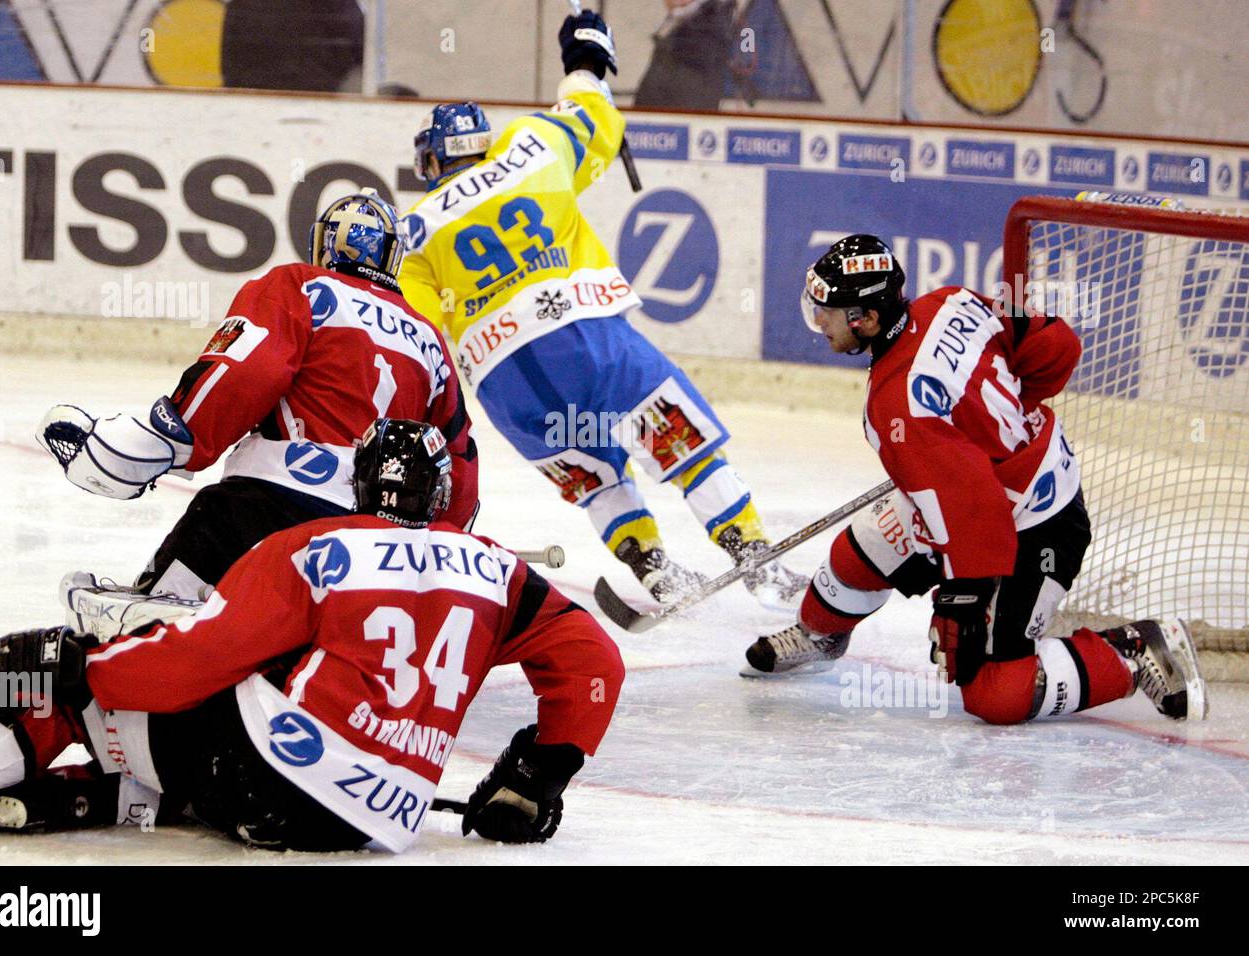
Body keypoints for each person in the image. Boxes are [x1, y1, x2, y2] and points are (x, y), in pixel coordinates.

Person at [0, 418, 623, 850]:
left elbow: (195, 661)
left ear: (360, 485)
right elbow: (595, 664)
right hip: (375, 824)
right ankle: (110, 796)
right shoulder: (500, 574)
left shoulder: (317, 547)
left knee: (65, 698)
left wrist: (87, 670)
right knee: (215, 721)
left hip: (263, 782)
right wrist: (539, 773)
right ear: (441, 495)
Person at [399, 8, 804, 609]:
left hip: (505, 382)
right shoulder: (529, 148)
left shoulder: (412, 230)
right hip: (583, 336)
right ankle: (753, 555)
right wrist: (584, 57)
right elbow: (594, 112)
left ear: (433, 159)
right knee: (677, 439)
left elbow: (416, 330)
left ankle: (655, 568)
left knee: (594, 474)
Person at [742, 234, 1208, 725]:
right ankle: (821, 636)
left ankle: (1134, 652)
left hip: (1035, 523)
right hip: (992, 489)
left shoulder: (896, 405)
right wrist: (1002, 419)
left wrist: (960, 600)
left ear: (867, 319)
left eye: (827, 312)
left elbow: (975, 508)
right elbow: (1057, 344)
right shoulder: (949, 302)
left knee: (996, 694)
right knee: (859, 556)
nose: (819, 322)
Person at [37, 192, 479, 637]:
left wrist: (176, 436)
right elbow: (456, 455)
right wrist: (436, 541)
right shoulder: (427, 336)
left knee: (166, 610)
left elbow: (248, 371)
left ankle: (169, 614)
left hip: (273, 507)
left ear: (324, 244)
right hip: (379, 537)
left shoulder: (303, 285)